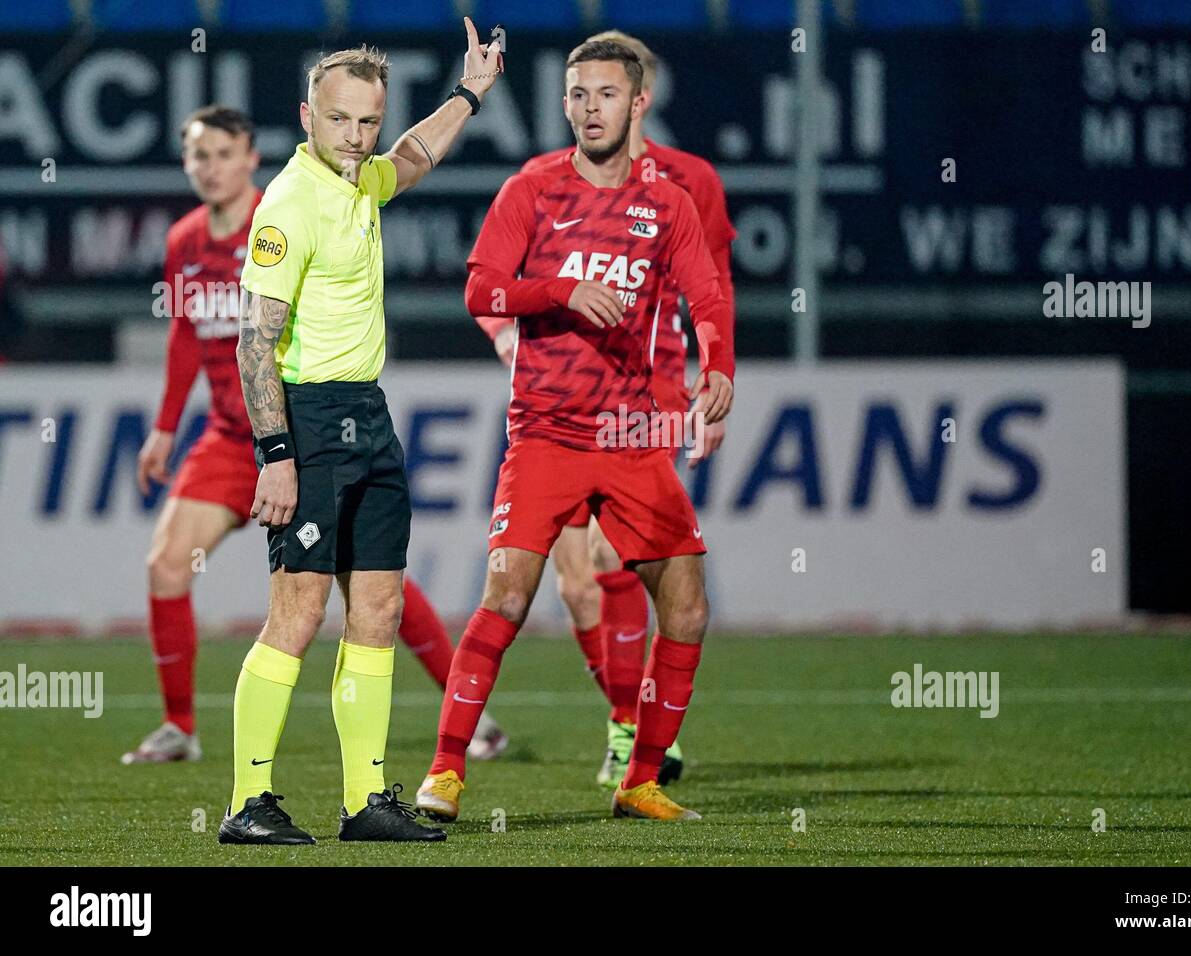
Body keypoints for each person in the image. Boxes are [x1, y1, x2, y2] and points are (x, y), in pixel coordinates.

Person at [123, 106, 507, 766]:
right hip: (227, 437)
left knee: (367, 581)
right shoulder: (186, 239)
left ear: (250, 155)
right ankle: (180, 727)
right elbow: (186, 336)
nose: (209, 167)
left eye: (222, 153)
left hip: (300, 432)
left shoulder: (280, 213)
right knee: (166, 564)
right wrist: (163, 430)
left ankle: (468, 715)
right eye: (197, 155)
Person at [417, 39, 734, 823]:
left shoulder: (670, 204)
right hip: (548, 434)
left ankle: (640, 780)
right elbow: (482, 288)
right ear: (564, 105)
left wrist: (718, 368)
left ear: (638, 104)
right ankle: (447, 771)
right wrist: (560, 289)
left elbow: (709, 296)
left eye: (605, 94)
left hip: (633, 435)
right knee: (509, 595)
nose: (591, 107)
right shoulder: (533, 188)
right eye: (577, 94)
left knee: (687, 605)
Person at [218, 21, 502, 845]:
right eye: (340, 120)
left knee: (376, 607)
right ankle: (247, 803)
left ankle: (365, 802)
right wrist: (275, 454)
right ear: (309, 118)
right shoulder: (289, 205)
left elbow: (414, 155)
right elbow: (253, 340)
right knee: (298, 613)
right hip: (308, 420)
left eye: (369, 121)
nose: (357, 136)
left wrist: (469, 93)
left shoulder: (361, 179)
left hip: (368, 415)